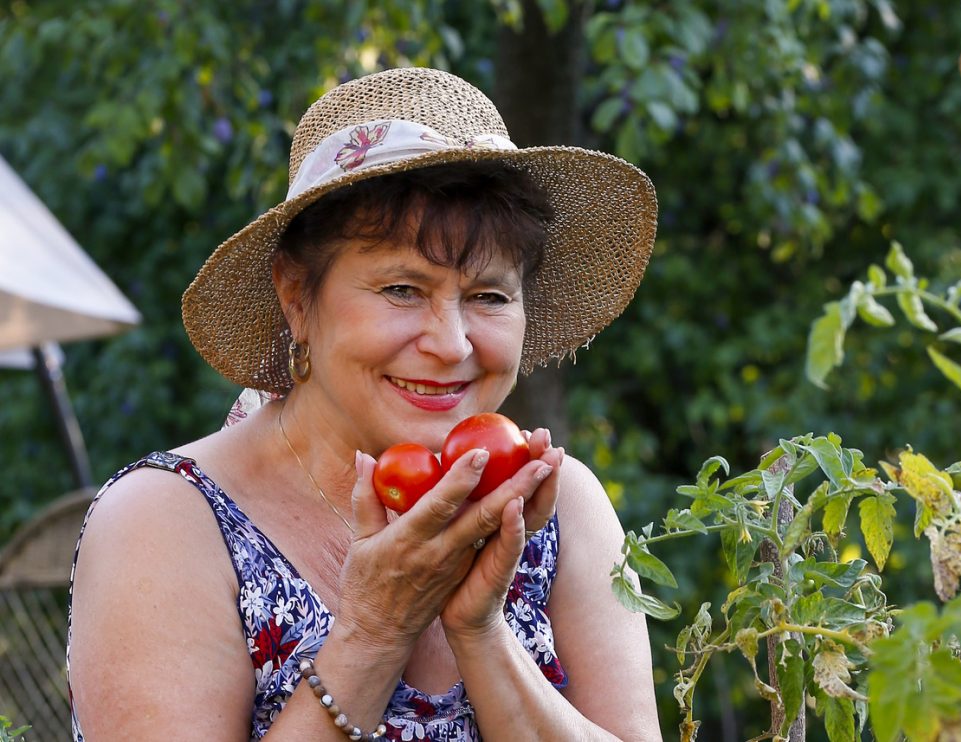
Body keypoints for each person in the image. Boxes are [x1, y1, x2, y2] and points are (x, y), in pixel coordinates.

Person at [67, 67, 661, 740]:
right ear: (297, 298)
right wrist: (376, 632)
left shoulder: (560, 509)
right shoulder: (165, 522)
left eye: (489, 296)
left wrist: (479, 631)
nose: (451, 342)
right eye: (402, 290)